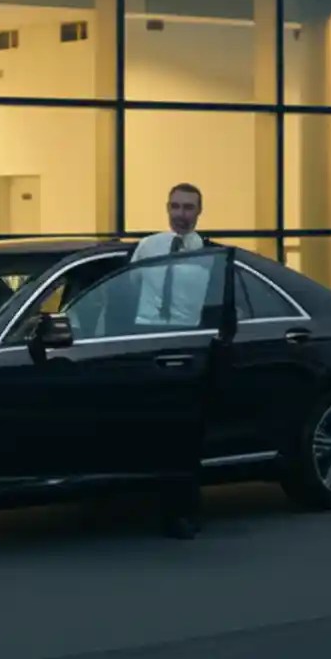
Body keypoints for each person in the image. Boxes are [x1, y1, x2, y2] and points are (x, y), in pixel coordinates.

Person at [132, 183, 208, 540]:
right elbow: (128, 289)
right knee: (145, 430)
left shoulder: (208, 256)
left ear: (199, 212)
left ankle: (182, 514)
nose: (181, 214)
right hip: (145, 341)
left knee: (181, 436)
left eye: (188, 207)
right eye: (176, 206)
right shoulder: (149, 246)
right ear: (167, 208)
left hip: (183, 348)